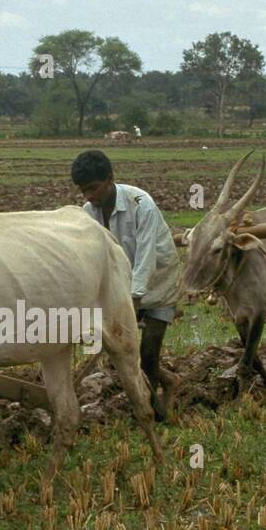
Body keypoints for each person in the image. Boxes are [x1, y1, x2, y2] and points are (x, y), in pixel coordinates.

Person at [70, 149, 179, 420]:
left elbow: (146, 256)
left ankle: (152, 413)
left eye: (93, 189)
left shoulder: (142, 204)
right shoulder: (88, 213)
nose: (89, 197)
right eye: (84, 191)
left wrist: (134, 299)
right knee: (123, 353)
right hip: (122, 287)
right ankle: (165, 388)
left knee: (148, 352)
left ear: (110, 179)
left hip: (158, 281)